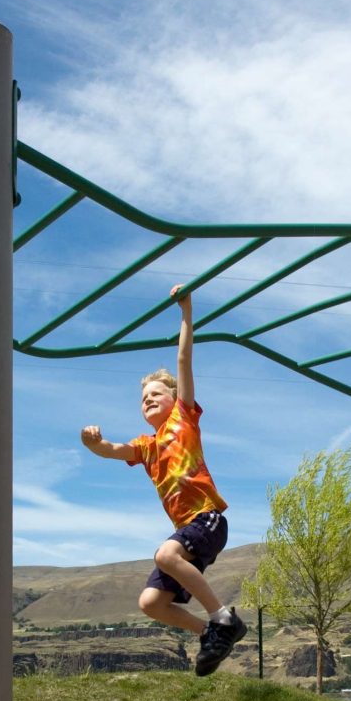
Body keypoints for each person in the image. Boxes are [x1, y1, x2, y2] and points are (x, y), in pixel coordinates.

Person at [80, 283, 247, 676]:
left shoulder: (183, 418)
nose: (148, 400)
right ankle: (211, 632)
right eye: (143, 399)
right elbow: (112, 450)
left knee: (165, 556)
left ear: (174, 399)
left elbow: (184, 359)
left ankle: (224, 617)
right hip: (189, 528)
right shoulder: (147, 446)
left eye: (156, 393)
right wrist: (93, 443)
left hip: (207, 518)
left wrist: (186, 312)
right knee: (151, 603)